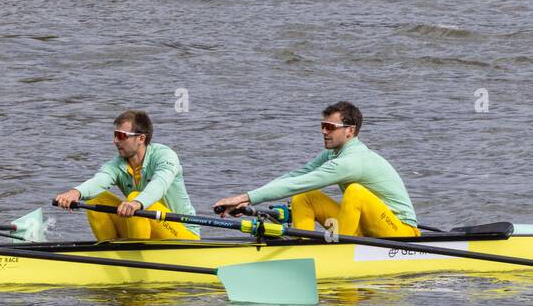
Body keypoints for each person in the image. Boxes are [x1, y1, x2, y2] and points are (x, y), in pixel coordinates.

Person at [212, 101, 418, 237]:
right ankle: (302, 248)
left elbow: (298, 183)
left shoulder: (352, 161)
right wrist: (247, 198)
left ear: (350, 131)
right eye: (322, 125)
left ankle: (339, 252)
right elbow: (295, 177)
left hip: (400, 231)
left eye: (330, 127)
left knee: (355, 192)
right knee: (305, 196)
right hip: (366, 228)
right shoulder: (333, 154)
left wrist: (244, 198)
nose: (323, 131)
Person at [53, 110, 199, 241]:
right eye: (115, 135)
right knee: (96, 199)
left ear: (141, 139)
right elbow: (99, 180)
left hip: (180, 232)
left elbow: (159, 184)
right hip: (142, 226)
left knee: (134, 197)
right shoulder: (117, 164)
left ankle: (135, 260)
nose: (115, 141)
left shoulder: (165, 156)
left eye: (122, 136)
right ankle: (108, 254)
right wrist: (75, 193)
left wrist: (137, 203)